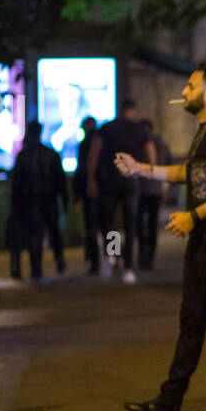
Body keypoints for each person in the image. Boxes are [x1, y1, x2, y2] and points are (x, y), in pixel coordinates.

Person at [117, 64, 206, 411]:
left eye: (191, 85)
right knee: (192, 323)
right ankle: (169, 402)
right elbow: (186, 173)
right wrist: (140, 169)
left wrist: (194, 216)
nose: (184, 91)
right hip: (205, 243)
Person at [88, 99, 155, 283]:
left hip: (109, 180)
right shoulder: (140, 130)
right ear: (133, 110)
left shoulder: (107, 128)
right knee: (130, 223)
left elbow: (94, 153)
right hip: (132, 180)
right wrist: (149, 173)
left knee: (109, 221)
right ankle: (128, 268)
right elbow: (151, 153)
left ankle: (112, 255)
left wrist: (91, 179)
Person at [8, 122, 68, 280]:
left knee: (34, 233)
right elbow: (60, 180)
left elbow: (17, 182)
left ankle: (36, 267)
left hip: (29, 201)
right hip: (49, 199)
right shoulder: (51, 154)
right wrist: (65, 199)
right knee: (53, 231)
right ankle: (58, 259)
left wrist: (14, 203)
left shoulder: (23, 155)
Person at [137, 118, 171, 271]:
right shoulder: (161, 143)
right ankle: (149, 256)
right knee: (151, 224)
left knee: (138, 225)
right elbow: (169, 162)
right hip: (155, 190)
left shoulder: (138, 143)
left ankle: (141, 256)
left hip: (140, 190)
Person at [72, 116, 102, 274]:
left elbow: (82, 168)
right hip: (107, 191)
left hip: (89, 192)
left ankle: (93, 260)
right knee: (111, 226)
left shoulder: (84, 144)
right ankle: (113, 256)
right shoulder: (106, 141)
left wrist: (77, 193)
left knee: (90, 228)